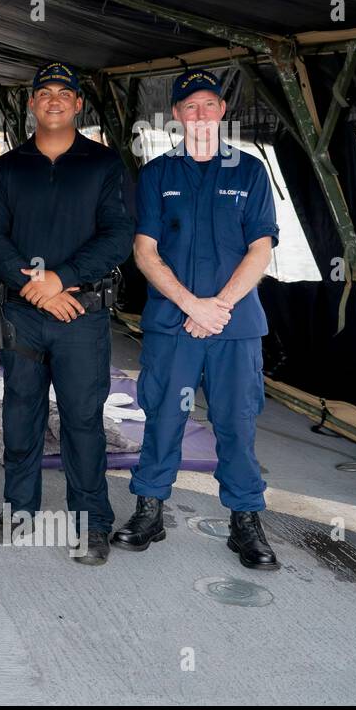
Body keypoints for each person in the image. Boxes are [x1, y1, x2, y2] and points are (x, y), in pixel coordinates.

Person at [116, 69, 280, 570]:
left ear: (222, 112)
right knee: (164, 416)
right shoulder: (158, 175)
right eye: (190, 107)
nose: (201, 114)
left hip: (234, 325)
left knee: (236, 422)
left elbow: (261, 249)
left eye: (210, 105)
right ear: (177, 116)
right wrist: (192, 305)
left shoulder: (249, 172)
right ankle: (149, 511)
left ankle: (245, 522)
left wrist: (218, 307)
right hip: (174, 323)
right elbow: (144, 251)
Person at [0, 62, 135, 565]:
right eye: (43, 93)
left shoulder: (104, 166)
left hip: (80, 315)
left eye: (63, 93)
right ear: (30, 103)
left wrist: (59, 278)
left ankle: (91, 524)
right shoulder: (7, 167)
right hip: (24, 313)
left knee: (83, 420)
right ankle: (19, 509)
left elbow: (117, 236)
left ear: (78, 104)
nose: (53, 100)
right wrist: (32, 285)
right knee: (22, 415)